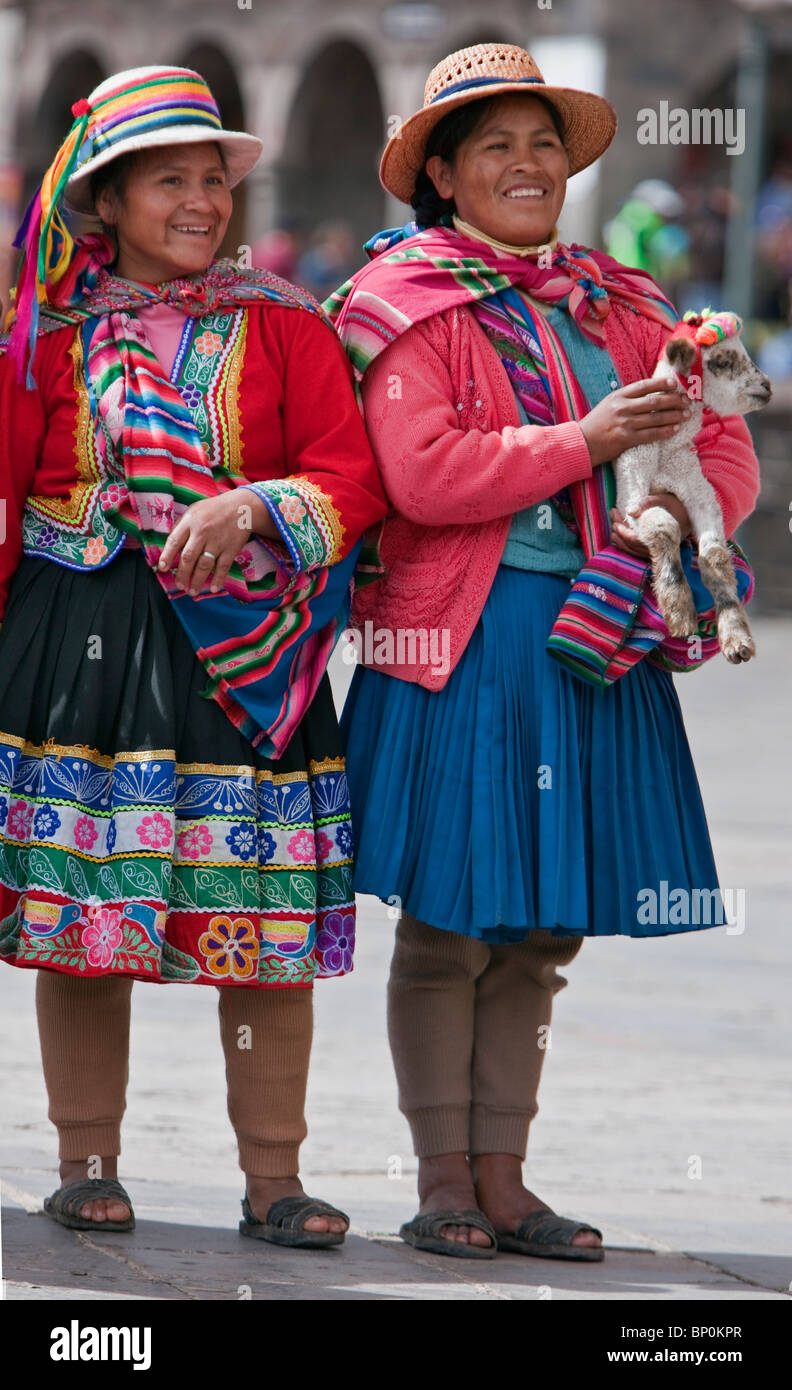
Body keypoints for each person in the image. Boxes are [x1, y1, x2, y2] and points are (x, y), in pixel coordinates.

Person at [326, 44, 760, 1261]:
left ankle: (509, 1179)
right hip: (467, 639)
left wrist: (677, 511)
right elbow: (423, 473)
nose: (527, 165)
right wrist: (585, 437)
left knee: (541, 928)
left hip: (601, 629)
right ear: (446, 176)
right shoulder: (400, 301)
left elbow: (718, 440)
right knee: (456, 917)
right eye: (496, 146)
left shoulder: (624, 303)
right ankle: (443, 1179)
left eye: (544, 143)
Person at [0, 66, 387, 1247]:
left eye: (214, 180)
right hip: (82, 641)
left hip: (244, 653)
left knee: (256, 924)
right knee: (87, 914)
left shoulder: (286, 325)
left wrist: (260, 508)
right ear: (107, 199)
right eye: (172, 179)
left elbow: (352, 476)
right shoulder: (39, 343)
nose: (202, 201)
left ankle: (275, 1178)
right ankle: (88, 1160)